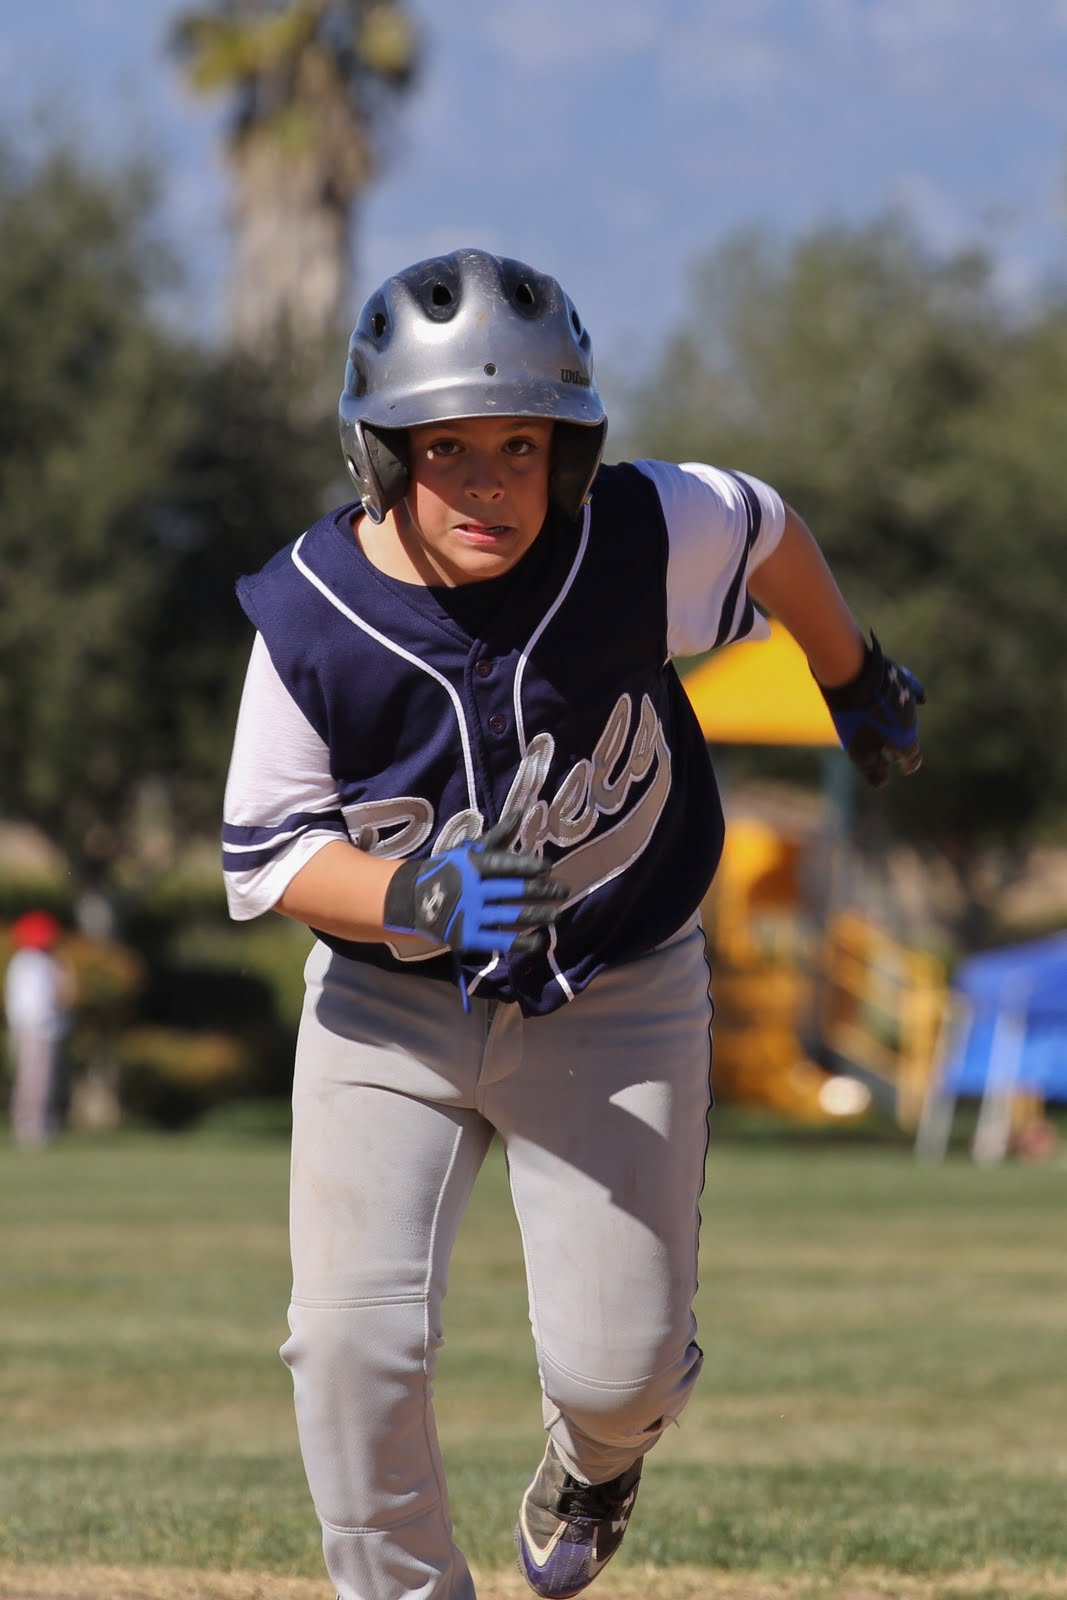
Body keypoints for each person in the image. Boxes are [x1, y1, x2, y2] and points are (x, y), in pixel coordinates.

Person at [222, 247, 924, 1600]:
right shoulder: (309, 620)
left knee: (622, 1375)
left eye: (521, 444)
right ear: (379, 454)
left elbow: (765, 524)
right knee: (349, 1347)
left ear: (571, 449)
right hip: (388, 1011)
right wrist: (416, 897)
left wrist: (851, 674)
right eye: (447, 449)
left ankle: (596, 1460)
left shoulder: (635, 539)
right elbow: (263, 854)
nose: (488, 482)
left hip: (619, 983)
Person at [4, 909, 70, 1147]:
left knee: (45, 1082)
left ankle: (42, 1126)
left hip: (47, 1031)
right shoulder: (27, 963)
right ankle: (28, 1129)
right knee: (32, 1083)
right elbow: (31, 1003)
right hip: (34, 1031)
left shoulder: (48, 962)